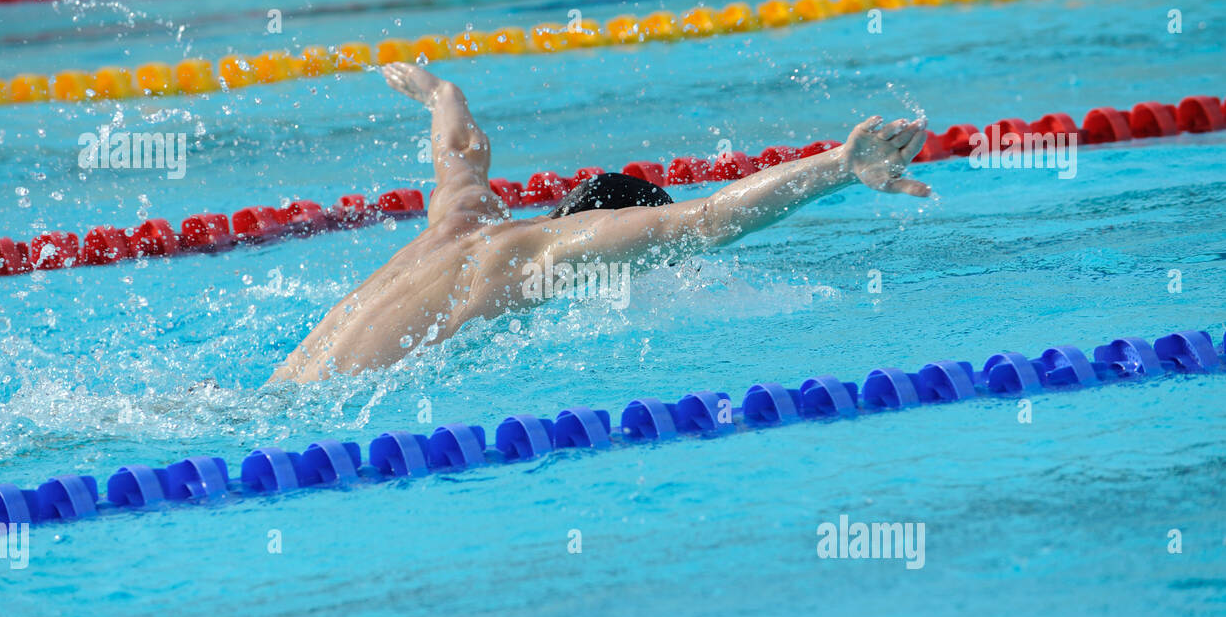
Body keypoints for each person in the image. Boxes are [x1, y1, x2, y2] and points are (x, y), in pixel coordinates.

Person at [271, 62, 931, 383]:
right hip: (326, 416)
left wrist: (441, 94)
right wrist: (841, 167)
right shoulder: (546, 255)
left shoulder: (467, 215)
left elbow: (460, 152)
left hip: (280, 381)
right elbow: (704, 221)